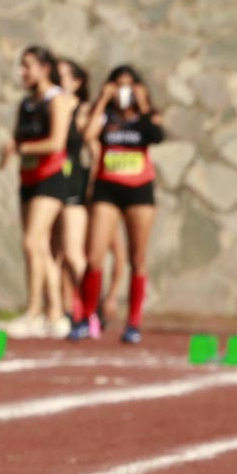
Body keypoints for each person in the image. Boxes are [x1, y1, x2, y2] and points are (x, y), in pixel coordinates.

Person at [80, 65, 162, 344]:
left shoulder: (146, 116)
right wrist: (103, 100)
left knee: (137, 259)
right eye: (118, 85)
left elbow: (157, 135)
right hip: (107, 189)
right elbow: (88, 136)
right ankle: (87, 317)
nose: (123, 91)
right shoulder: (105, 116)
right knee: (94, 256)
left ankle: (134, 322)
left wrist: (143, 104)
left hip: (139, 192)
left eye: (129, 85)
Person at [3, 47, 78, 339]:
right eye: (21, 66)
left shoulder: (56, 99)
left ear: (45, 68)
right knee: (40, 248)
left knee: (32, 242)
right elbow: (19, 137)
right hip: (28, 178)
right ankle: (55, 314)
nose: (22, 71)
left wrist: (22, 148)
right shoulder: (26, 103)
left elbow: (57, 142)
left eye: (28, 65)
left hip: (51, 179)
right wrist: (11, 147)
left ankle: (33, 313)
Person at [53, 59, 96, 339]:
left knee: (73, 251)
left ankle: (92, 310)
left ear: (77, 82)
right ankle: (65, 310)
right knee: (55, 253)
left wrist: (93, 188)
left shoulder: (81, 110)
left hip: (74, 184)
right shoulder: (50, 106)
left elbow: (94, 148)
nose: (57, 81)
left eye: (63, 76)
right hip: (49, 182)